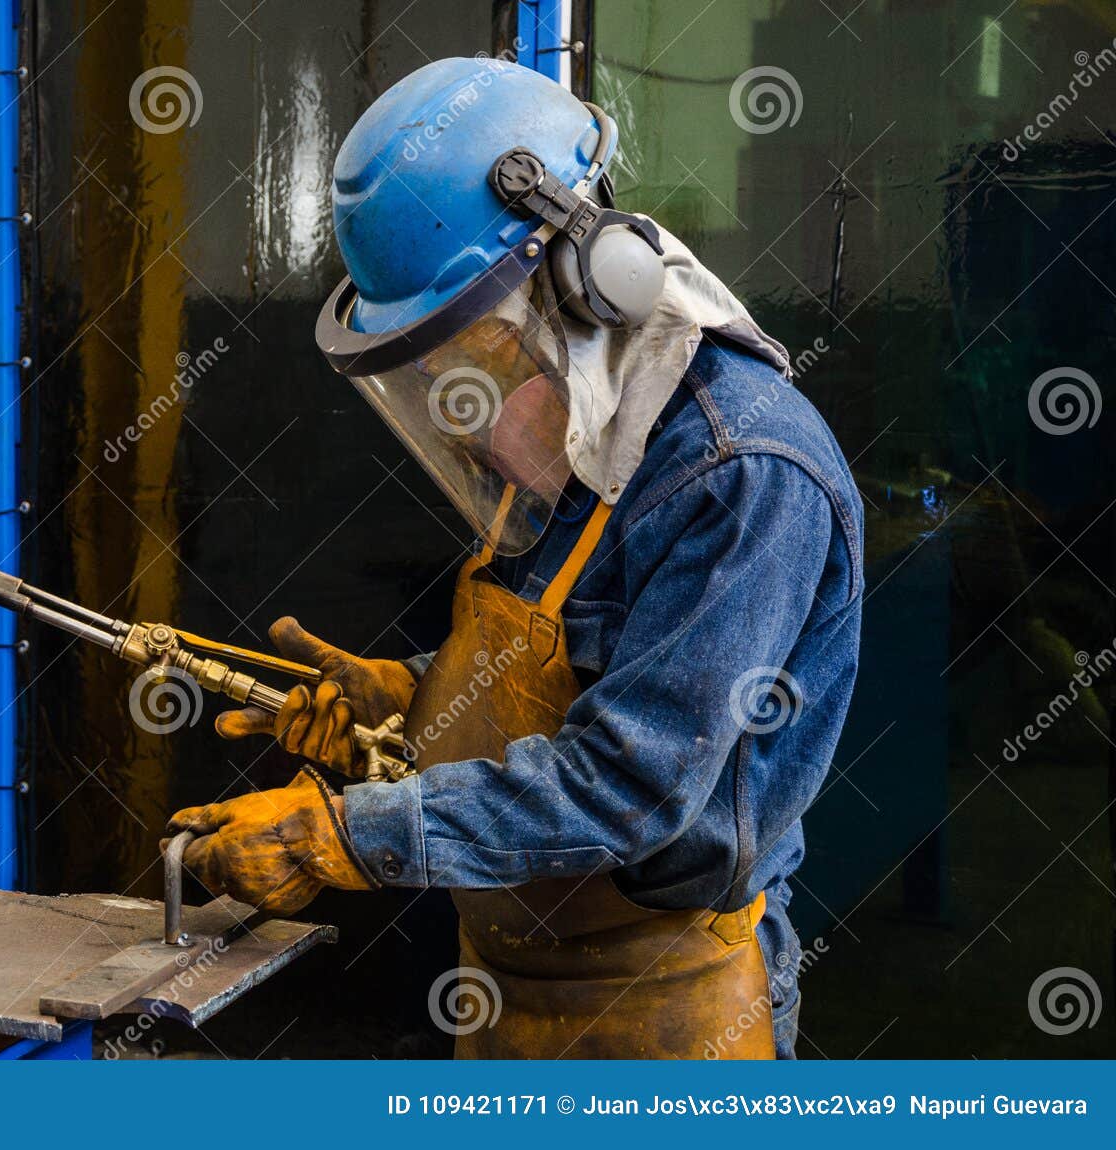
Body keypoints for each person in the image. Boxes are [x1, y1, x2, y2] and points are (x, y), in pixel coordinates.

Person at [165, 59, 863, 1059]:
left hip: (671, 998)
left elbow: (630, 781)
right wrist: (413, 695)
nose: (456, 398)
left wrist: (343, 833)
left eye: (473, 349)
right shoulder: (580, 424)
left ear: (592, 274)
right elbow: (574, 664)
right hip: (509, 981)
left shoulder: (741, 471)